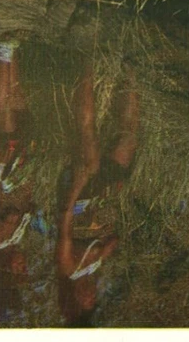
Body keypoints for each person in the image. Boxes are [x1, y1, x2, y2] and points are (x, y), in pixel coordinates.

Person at [55, 57, 139, 326]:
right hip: (104, 194)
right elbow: (109, 241)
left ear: (73, 301)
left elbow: (65, 221)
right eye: (95, 300)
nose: (92, 295)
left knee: (87, 136)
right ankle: (131, 72)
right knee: (128, 139)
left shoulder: (68, 268)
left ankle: (87, 62)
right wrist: (108, 247)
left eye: (86, 301)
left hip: (77, 193)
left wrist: (79, 182)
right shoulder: (95, 269)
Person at [0, 37, 38, 323]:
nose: (22, 265)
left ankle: (3, 49)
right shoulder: (13, 241)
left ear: (5, 271)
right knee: (19, 106)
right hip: (18, 170)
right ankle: (13, 49)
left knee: (3, 115)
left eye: (17, 271)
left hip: (2, 169)